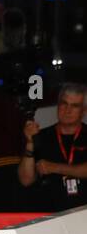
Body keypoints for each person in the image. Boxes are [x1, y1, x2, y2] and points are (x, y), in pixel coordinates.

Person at [18, 81, 86, 213]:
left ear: (83, 111)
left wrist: (55, 167)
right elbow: (25, 180)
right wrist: (30, 143)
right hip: (49, 215)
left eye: (74, 106)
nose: (67, 110)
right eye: (64, 104)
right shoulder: (42, 136)